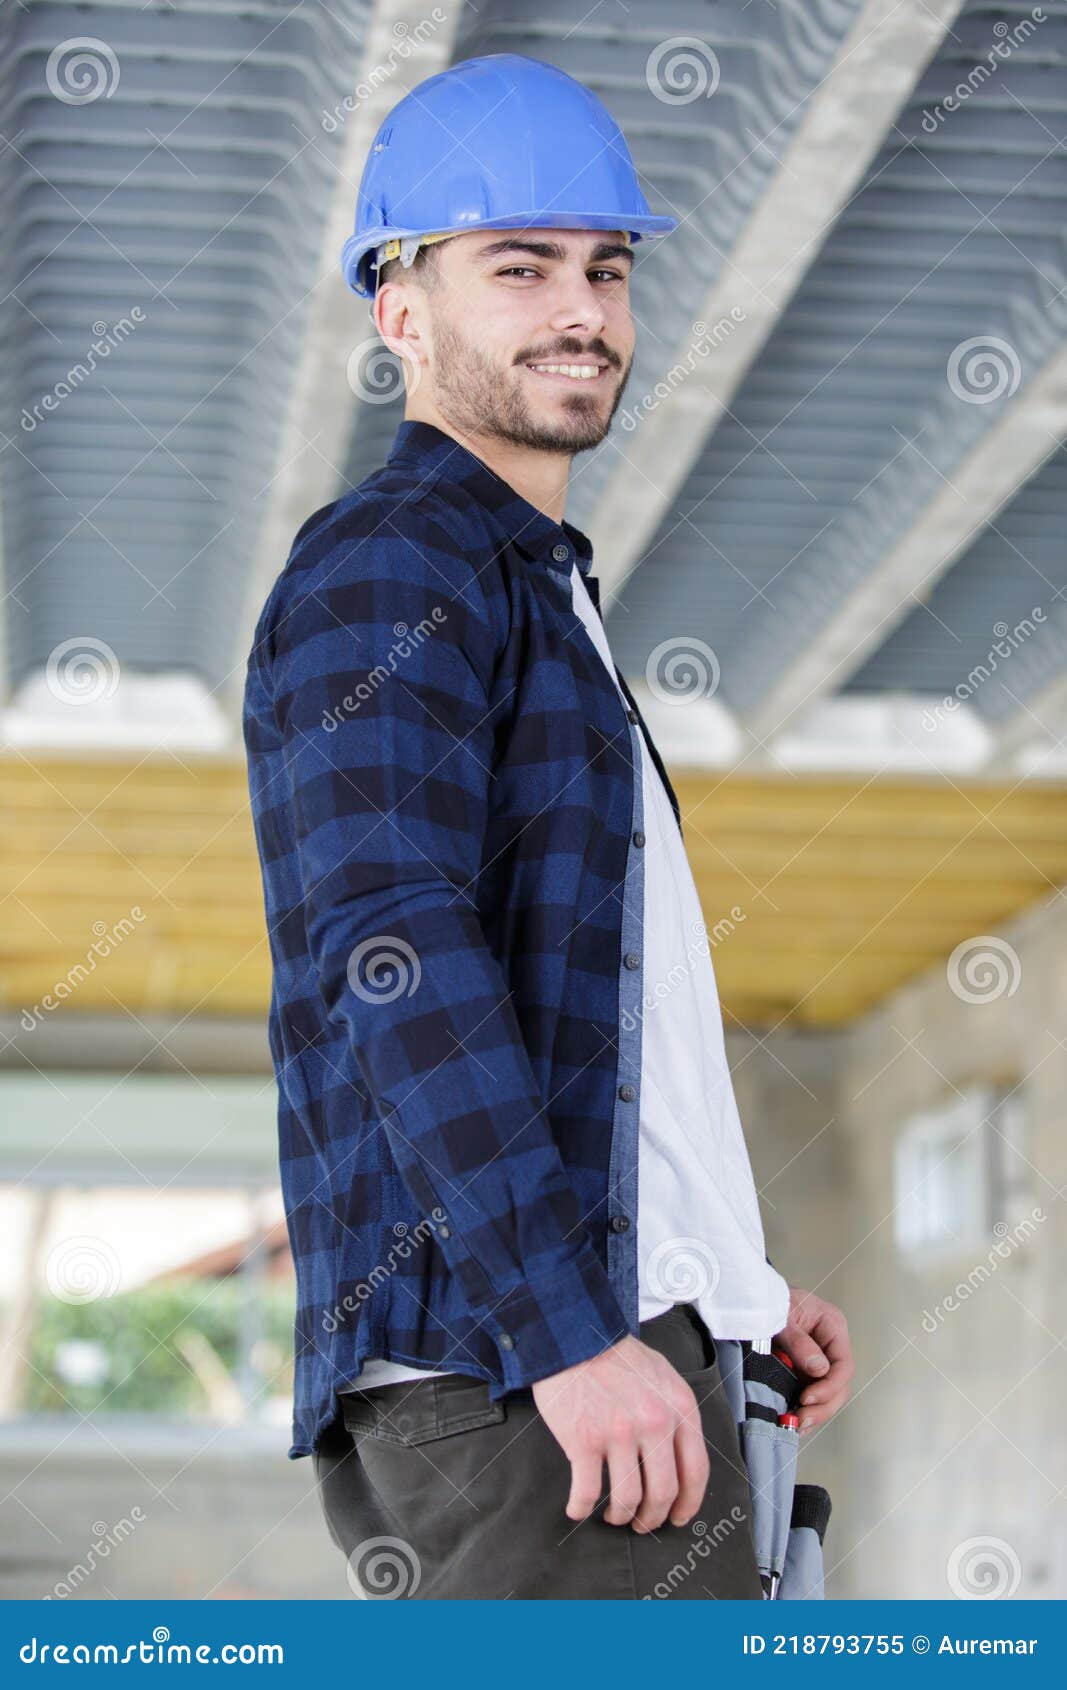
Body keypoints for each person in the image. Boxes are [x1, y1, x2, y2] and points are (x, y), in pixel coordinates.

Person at [242, 52, 852, 1600]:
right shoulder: (390, 569)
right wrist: (566, 1321)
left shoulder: (531, 588)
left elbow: (593, 1024)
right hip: (522, 1376)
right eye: (518, 267)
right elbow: (394, 951)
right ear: (401, 309)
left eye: (606, 265)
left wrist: (725, 1277)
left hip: (599, 1347)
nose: (581, 307)